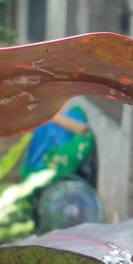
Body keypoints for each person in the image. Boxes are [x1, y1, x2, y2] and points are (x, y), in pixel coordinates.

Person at [20, 98, 103, 231]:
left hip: (49, 180)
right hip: (45, 179)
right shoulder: (46, 127)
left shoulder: (66, 119)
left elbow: (83, 130)